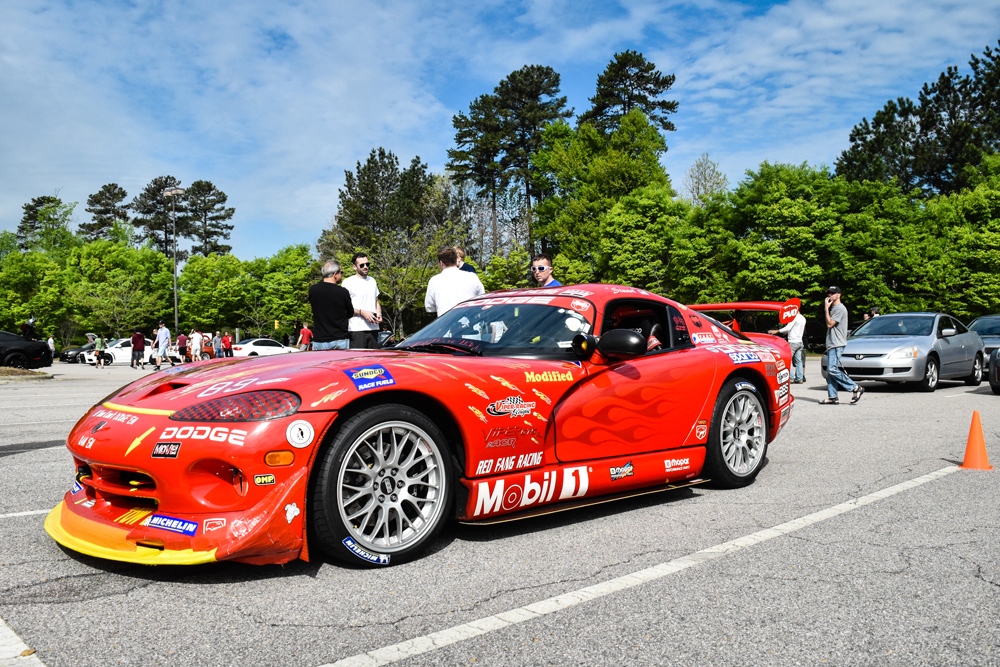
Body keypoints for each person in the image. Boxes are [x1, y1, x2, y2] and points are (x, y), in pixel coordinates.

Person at [820, 286, 863, 405]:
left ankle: (855, 387)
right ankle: (833, 397)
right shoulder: (834, 308)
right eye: (828, 293)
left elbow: (830, 324)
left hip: (837, 344)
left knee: (832, 369)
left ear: (839, 295)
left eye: (833, 293)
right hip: (832, 343)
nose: (830, 295)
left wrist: (826, 309)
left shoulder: (839, 308)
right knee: (830, 371)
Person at [425, 247, 485, 317]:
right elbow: (482, 299)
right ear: (455, 260)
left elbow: (429, 307)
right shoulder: (472, 277)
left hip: (446, 324)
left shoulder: (434, 281)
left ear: (441, 263)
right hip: (469, 322)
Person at [309, 261, 353, 350]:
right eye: (341, 272)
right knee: (340, 364)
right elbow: (350, 313)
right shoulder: (342, 292)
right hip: (340, 338)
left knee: (321, 364)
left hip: (320, 339)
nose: (342, 275)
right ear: (335, 274)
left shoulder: (313, 290)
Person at [342, 252, 382, 349]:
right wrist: (362, 312)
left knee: (374, 361)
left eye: (367, 264)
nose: (365, 267)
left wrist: (379, 314)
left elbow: (376, 301)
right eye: (362, 265)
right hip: (357, 330)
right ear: (354, 267)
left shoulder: (372, 281)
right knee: (358, 362)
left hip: (374, 329)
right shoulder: (348, 282)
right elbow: (344, 307)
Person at [770, 310, 807, 383]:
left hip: (792, 341)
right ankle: (800, 378)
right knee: (799, 361)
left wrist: (777, 331)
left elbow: (788, 327)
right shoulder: (803, 318)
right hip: (800, 341)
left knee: (788, 360)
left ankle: (791, 378)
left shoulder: (793, 318)